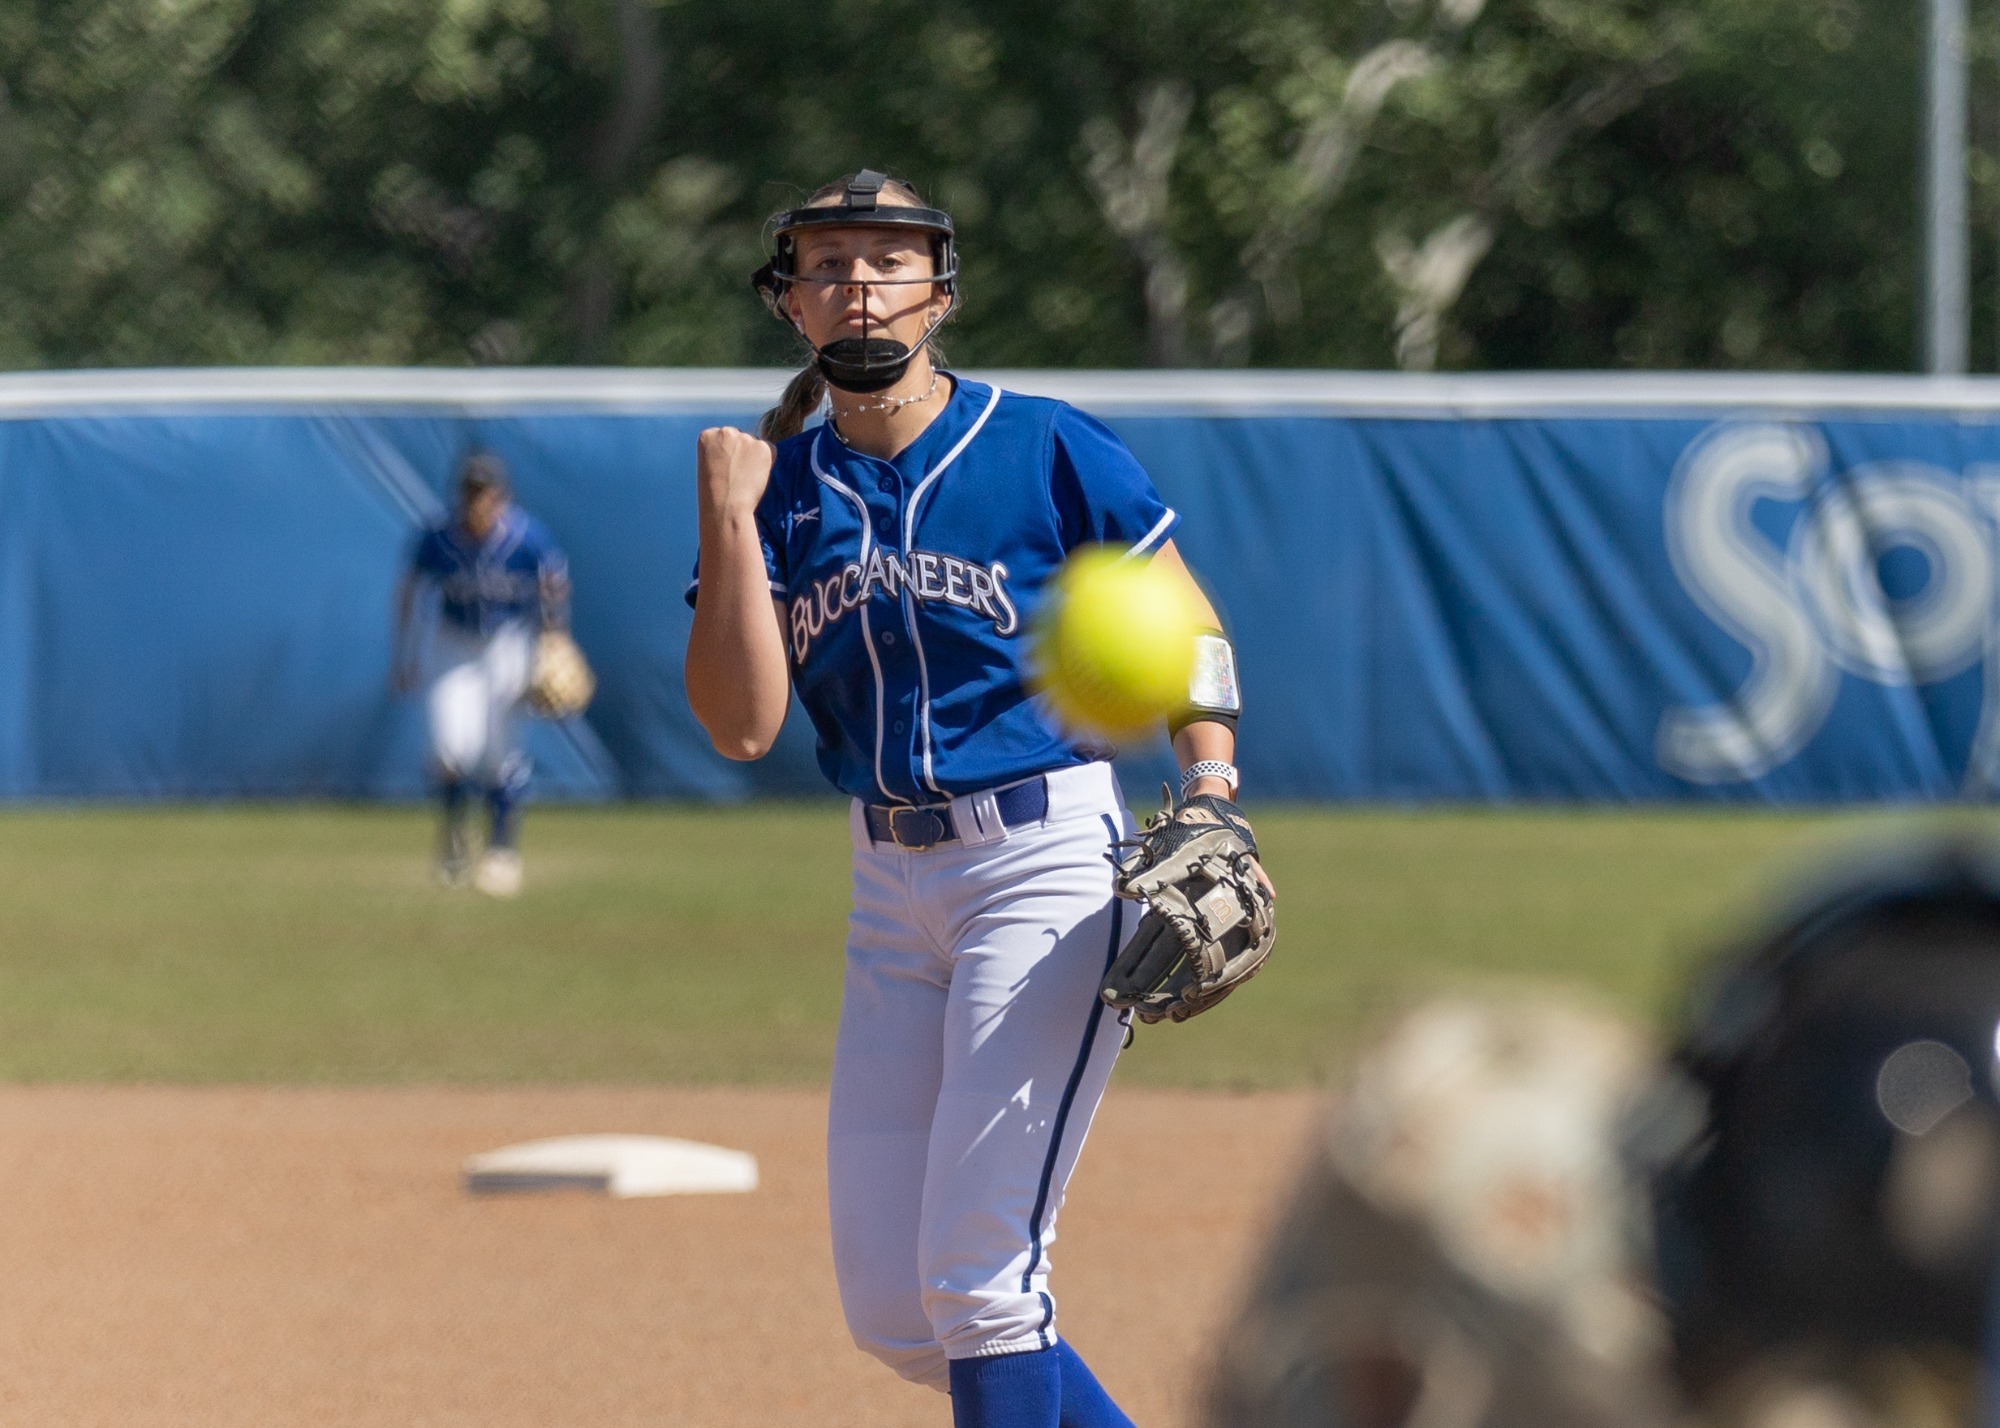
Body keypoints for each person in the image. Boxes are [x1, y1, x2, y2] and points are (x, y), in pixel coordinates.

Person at [683, 169, 1254, 1428]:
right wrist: (730, 520)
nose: (860, 286)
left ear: (938, 290)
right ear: (790, 302)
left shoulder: (1044, 445)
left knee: (983, 1280)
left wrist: (1209, 792)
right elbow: (737, 723)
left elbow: (1189, 625)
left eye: (889, 261)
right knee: (896, 1309)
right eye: (829, 262)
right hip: (886, 887)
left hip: (1042, 865)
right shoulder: (774, 493)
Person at [392, 452, 571, 898]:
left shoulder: (527, 536)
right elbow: (410, 590)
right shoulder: (438, 538)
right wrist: (405, 656)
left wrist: (556, 642)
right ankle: (454, 838)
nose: (479, 502)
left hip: (508, 644)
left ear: (502, 496)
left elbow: (555, 583)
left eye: (487, 493)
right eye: (471, 493)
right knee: (449, 749)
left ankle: (501, 851)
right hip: (453, 643)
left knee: (500, 754)